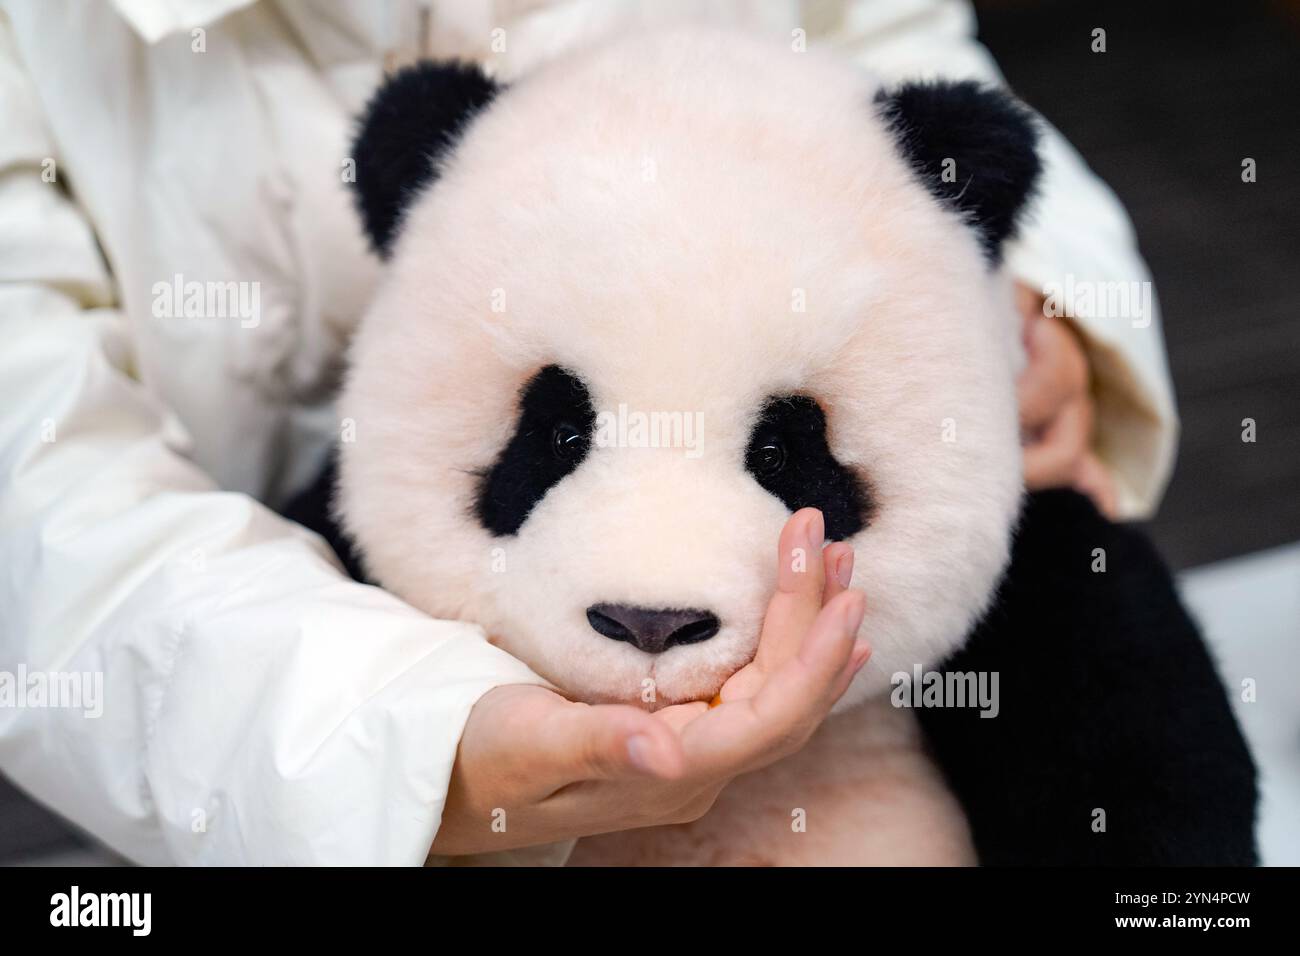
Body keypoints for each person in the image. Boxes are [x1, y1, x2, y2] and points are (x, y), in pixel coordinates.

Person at [0, 0, 1176, 865]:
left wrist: (1014, 294)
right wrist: (411, 744)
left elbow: (885, 35)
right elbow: (39, 505)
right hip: (310, 695)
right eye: (552, 440)